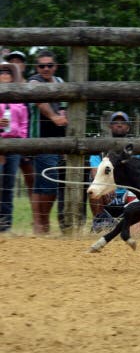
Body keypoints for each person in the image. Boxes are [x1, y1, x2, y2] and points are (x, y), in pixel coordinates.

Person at [88, 112, 140, 233]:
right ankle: (100, 220)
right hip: (107, 195)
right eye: (115, 122)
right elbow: (95, 173)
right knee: (94, 185)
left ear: (128, 127)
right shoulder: (100, 150)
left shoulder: (138, 149)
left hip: (131, 194)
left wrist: (132, 189)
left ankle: (136, 224)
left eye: (122, 122)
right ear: (110, 126)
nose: (119, 125)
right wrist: (108, 185)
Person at [28, 49, 68, 234]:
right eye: (42, 65)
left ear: (55, 66)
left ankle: (41, 224)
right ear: (37, 67)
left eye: (49, 65)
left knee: (45, 182)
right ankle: (40, 223)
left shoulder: (60, 82)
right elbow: (39, 101)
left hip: (59, 139)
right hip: (41, 138)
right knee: (47, 182)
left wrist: (63, 116)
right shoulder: (34, 80)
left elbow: (66, 106)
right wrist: (54, 116)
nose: (45, 68)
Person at [0, 62, 29, 232]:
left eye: (7, 72)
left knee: (9, 185)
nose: (4, 75)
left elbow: (24, 124)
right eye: (1, 72)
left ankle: (6, 224)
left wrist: (23, 144)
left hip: (15, 146)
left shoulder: (19, 101)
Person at [4, 50, 35, 201]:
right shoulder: (4, 84)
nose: (16, 64)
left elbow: (27, 116)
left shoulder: (30, 85)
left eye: (19, 61)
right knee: (5, 181)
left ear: (23, 65)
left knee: (31, 180)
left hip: (25, 140)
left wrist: (25, 143)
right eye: (12, 61)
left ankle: (34, 218)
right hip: (7, 139)